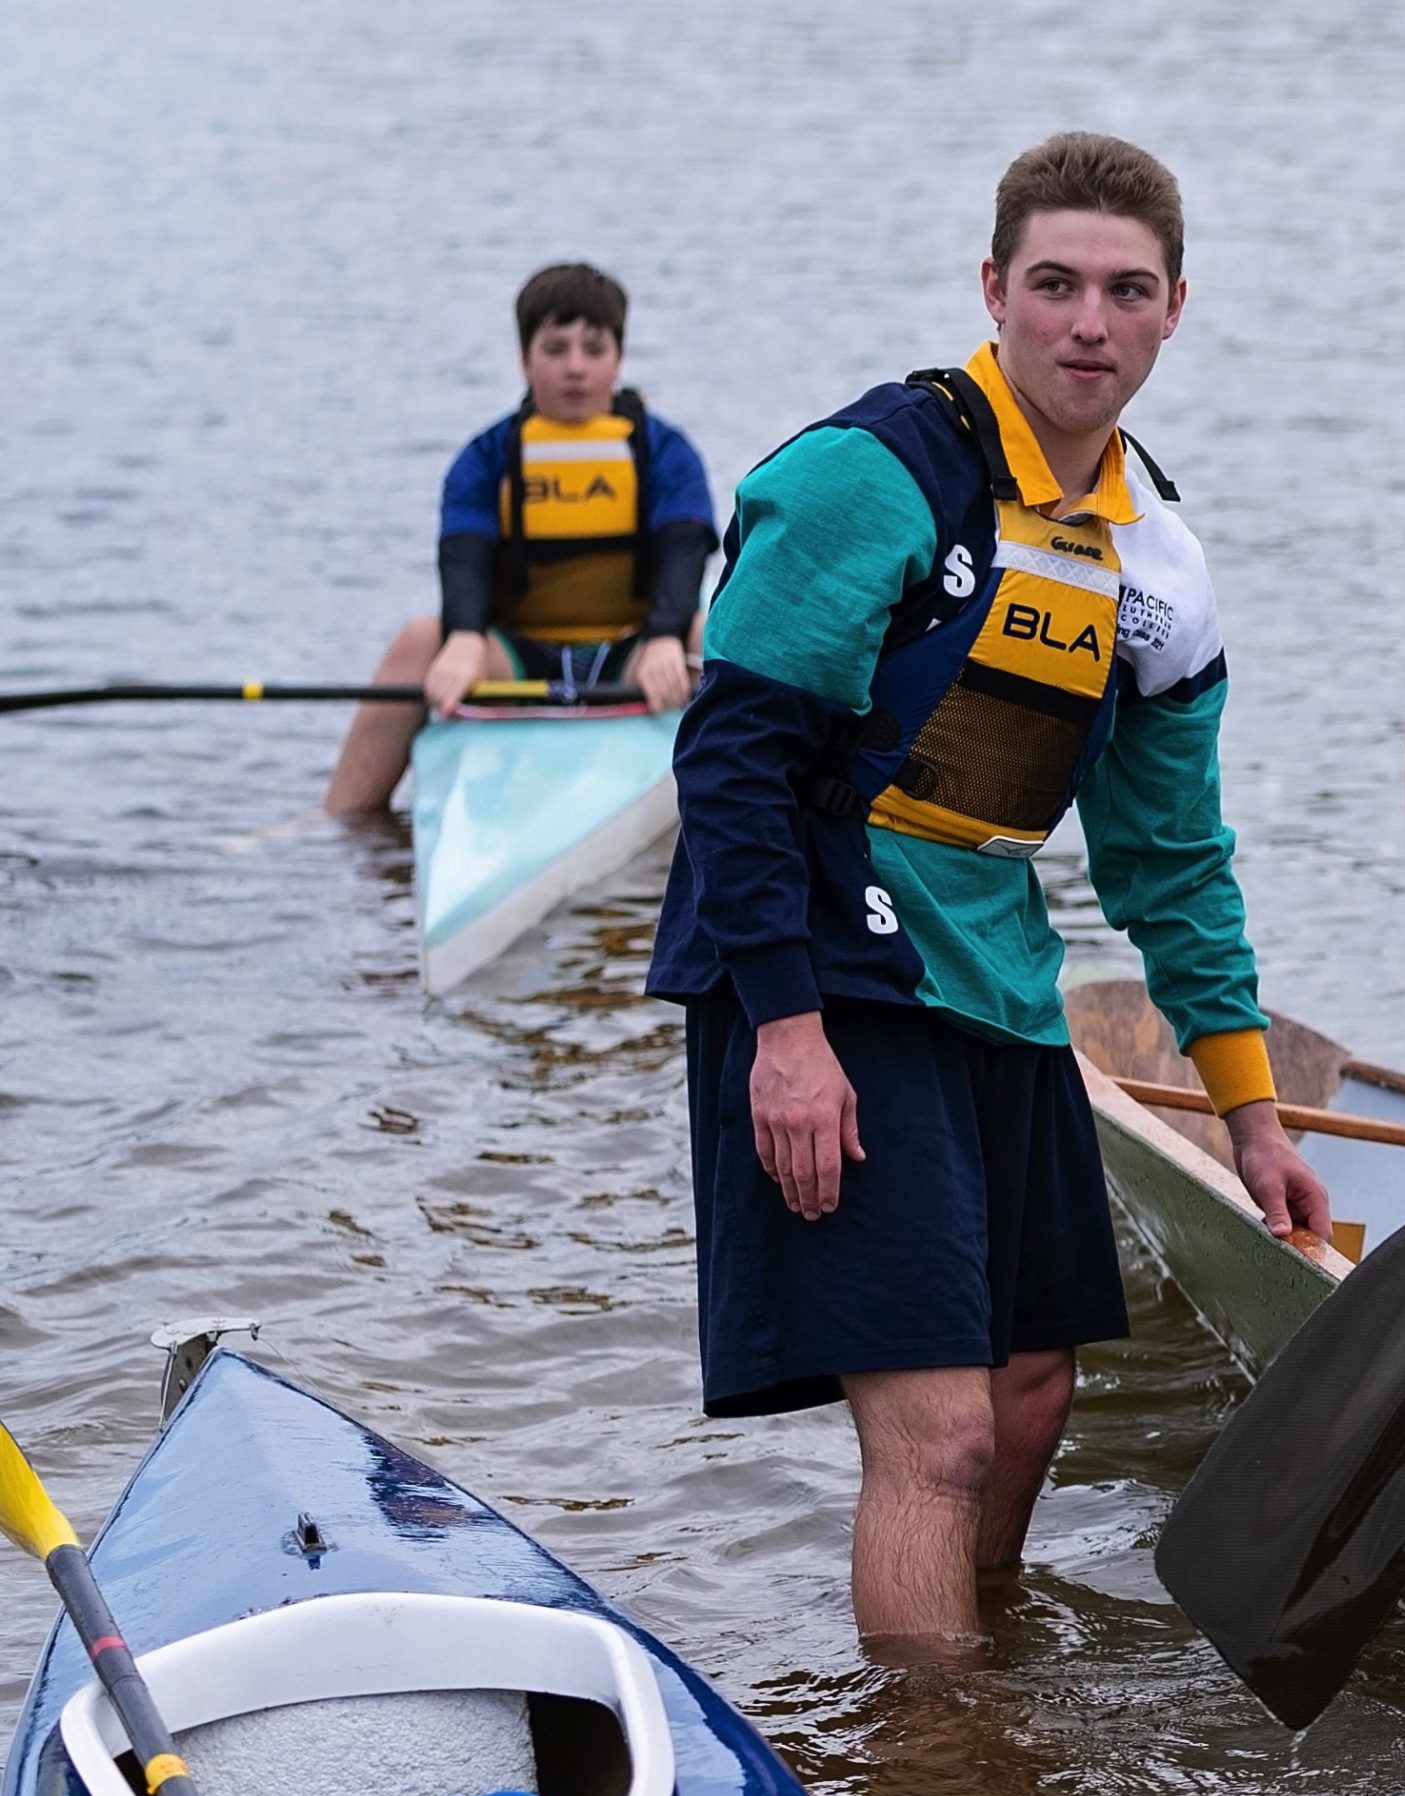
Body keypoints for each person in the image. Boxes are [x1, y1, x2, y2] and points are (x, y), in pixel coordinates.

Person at [647, 133, 1331, 1647]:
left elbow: (1171, 857)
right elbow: (733, 764)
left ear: (1174, 310)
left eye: (1126, 291)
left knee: (1030, 1394)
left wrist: (1250, 1112)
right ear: (994, 291)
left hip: (996, 968)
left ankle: (970, 1682)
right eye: (1055, 284)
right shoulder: (871, 475)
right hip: (825, 956)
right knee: (943, 1429)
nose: (1089, 322)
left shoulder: (1160, 562)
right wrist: (785, 1030)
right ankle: (936, 1747)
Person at [323, 263, 718, 813]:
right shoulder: (487, 457)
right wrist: (464, 636)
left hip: (633, 656)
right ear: (524, 360)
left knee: (713, 634)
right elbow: (464, 556)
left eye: (594, 349)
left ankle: (758, 806)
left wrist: (664, 638)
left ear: (619, 358)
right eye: (555, 349)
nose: (575, 367)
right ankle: (340, 815)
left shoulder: (665, 451)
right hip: (517, 660)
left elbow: (683, 551)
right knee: (419, 640)